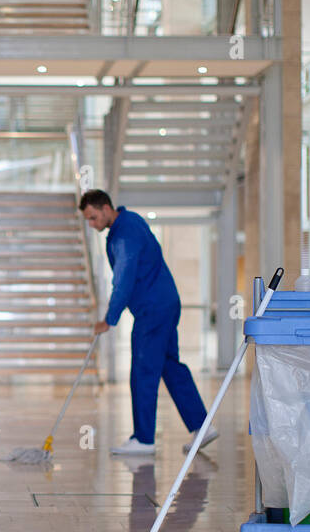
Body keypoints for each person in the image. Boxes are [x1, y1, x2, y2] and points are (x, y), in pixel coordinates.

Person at [80, 188, 216, 457]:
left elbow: (124, 277)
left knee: (143, 372)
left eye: (93, 217)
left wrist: (110, 318)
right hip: (165, 303)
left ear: (106, 208)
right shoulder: (132, 222)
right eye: (88, 220)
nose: (92, 224)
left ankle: (143, 439)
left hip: (152, 310)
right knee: (170, 366)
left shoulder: (124, 233)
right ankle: (202, 426)